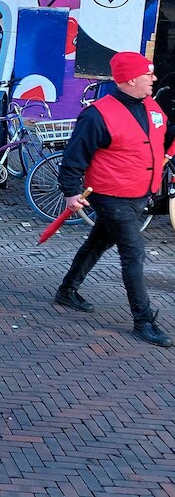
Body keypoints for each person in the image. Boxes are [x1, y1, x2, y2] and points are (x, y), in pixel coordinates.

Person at [54, 52, 175, 347]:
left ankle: (67, 290)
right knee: (134, 253)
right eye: (148, 74)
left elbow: (164, 136)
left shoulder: (151, 106)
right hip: (110, 196)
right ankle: (144, 320)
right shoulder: (97, 115)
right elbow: (73, 157)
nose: (154, 78)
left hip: (139, 192)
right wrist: (70, 192)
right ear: (131, 80)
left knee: (98, 242)